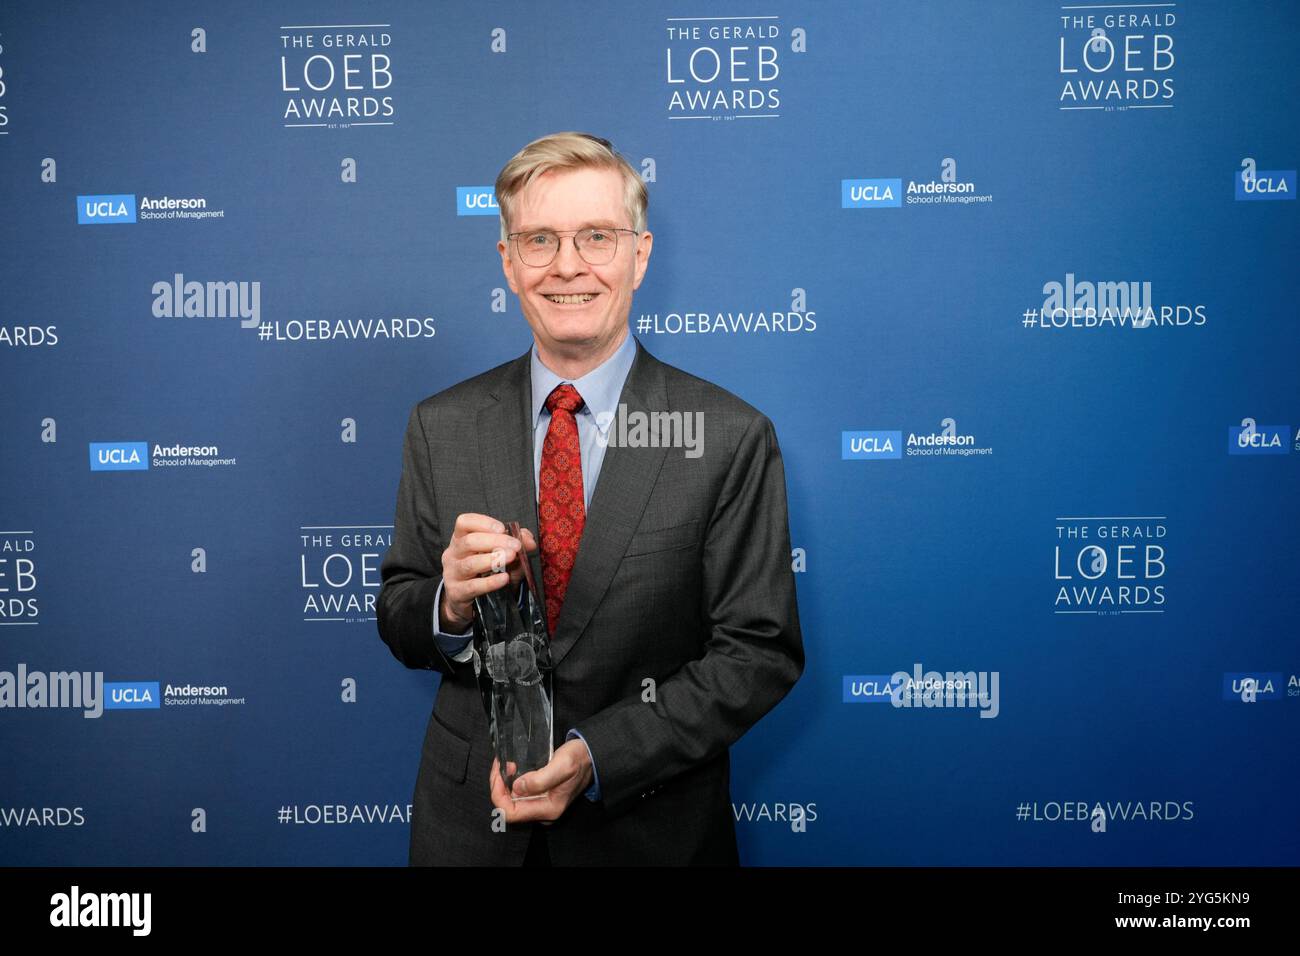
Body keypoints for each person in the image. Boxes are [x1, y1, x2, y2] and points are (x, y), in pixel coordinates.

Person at [377, 131, 804, 865]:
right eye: (539, 240)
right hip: (469, 834)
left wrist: (594, 754)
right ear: (509, 263)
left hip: (650, 830)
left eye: (596, 237)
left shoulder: (728, 435)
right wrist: (445, 603)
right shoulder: (440, 424)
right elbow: (400, 612)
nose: (567, 266)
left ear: (639, 256)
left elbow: (757, 653)